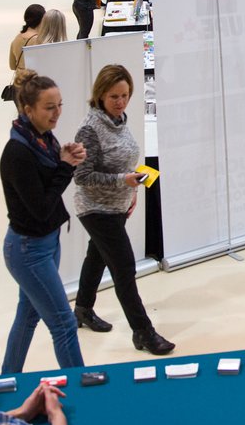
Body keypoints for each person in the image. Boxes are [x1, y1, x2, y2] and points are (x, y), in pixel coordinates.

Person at [70, 64, 175, 355]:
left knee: (96, 256)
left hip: (116, 204)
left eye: (125, 95)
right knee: (124, 269)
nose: (121, 102)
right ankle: (143, 332)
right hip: (95, 208)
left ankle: (83, 309)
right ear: (100, 95)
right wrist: (122, 181)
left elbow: (122, 161)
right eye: (114, 96)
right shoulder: (90, 129)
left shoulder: (119, 120)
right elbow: (81, 177)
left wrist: (130, 187)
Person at [0, 71, 87, 374]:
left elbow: (46, 184)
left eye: (59, 105)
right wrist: (65, 167)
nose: (57, 113)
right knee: (63, 322)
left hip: (46, 243)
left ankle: (8, 379)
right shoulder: (17, 153)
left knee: (28, 315)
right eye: (49, 107)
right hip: (28, 250)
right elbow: (40, 207)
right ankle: (82, 389)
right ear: (28, 110)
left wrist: (63, 158)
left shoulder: (42, 139)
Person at [10, 4, 46, 84]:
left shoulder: (17, 38)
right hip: (33, 84)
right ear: (43, 20)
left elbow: (12, 66)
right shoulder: (39, 41)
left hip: (18, 83)